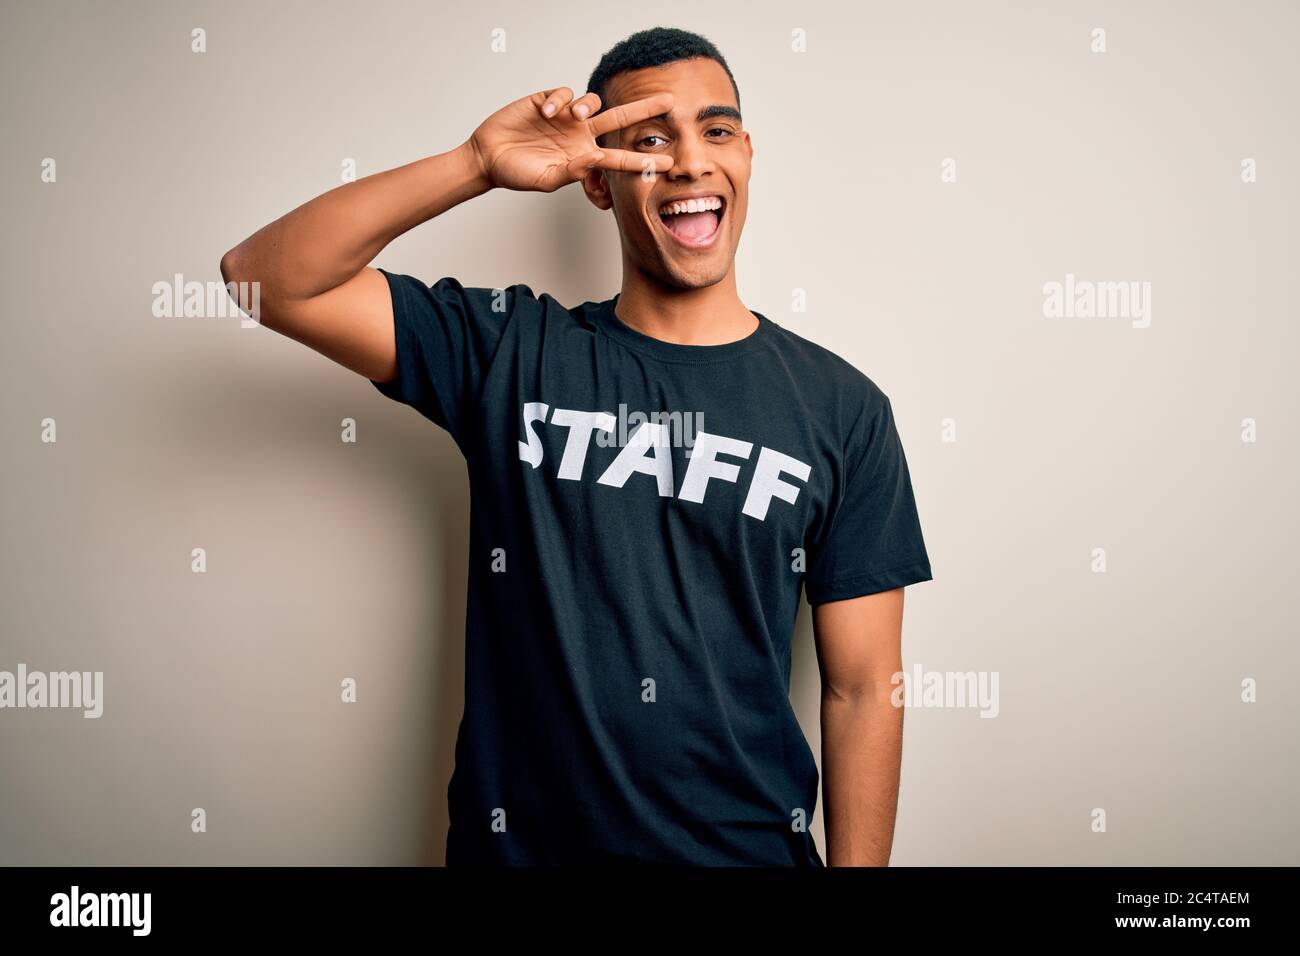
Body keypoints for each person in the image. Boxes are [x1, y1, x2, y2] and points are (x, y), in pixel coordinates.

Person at [220, 26, 932, 866]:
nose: (690, 162)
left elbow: (859, 691)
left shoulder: (843, 409)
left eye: (717, 129)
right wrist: (476, 164)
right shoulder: (509, 351)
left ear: (747, 154)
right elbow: (263, 276)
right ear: (598, 177)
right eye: (651, 139)